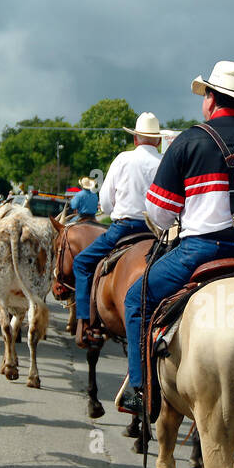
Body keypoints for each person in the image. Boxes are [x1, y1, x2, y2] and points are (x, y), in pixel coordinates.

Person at [116, 60, 234, 414]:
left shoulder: (187, 142)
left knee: (136, 300)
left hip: (198, 251)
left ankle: (140, 390)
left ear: (210, 100)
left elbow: (158, 213)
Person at [72, 111, 166, 348]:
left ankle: (86, 322)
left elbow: (106, 199)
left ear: (136, 139)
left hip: (123, 228)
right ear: (157, 140)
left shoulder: (123, 159)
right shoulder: (164, 162)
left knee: (82, 263)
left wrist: (117, 210)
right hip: (155, 231)